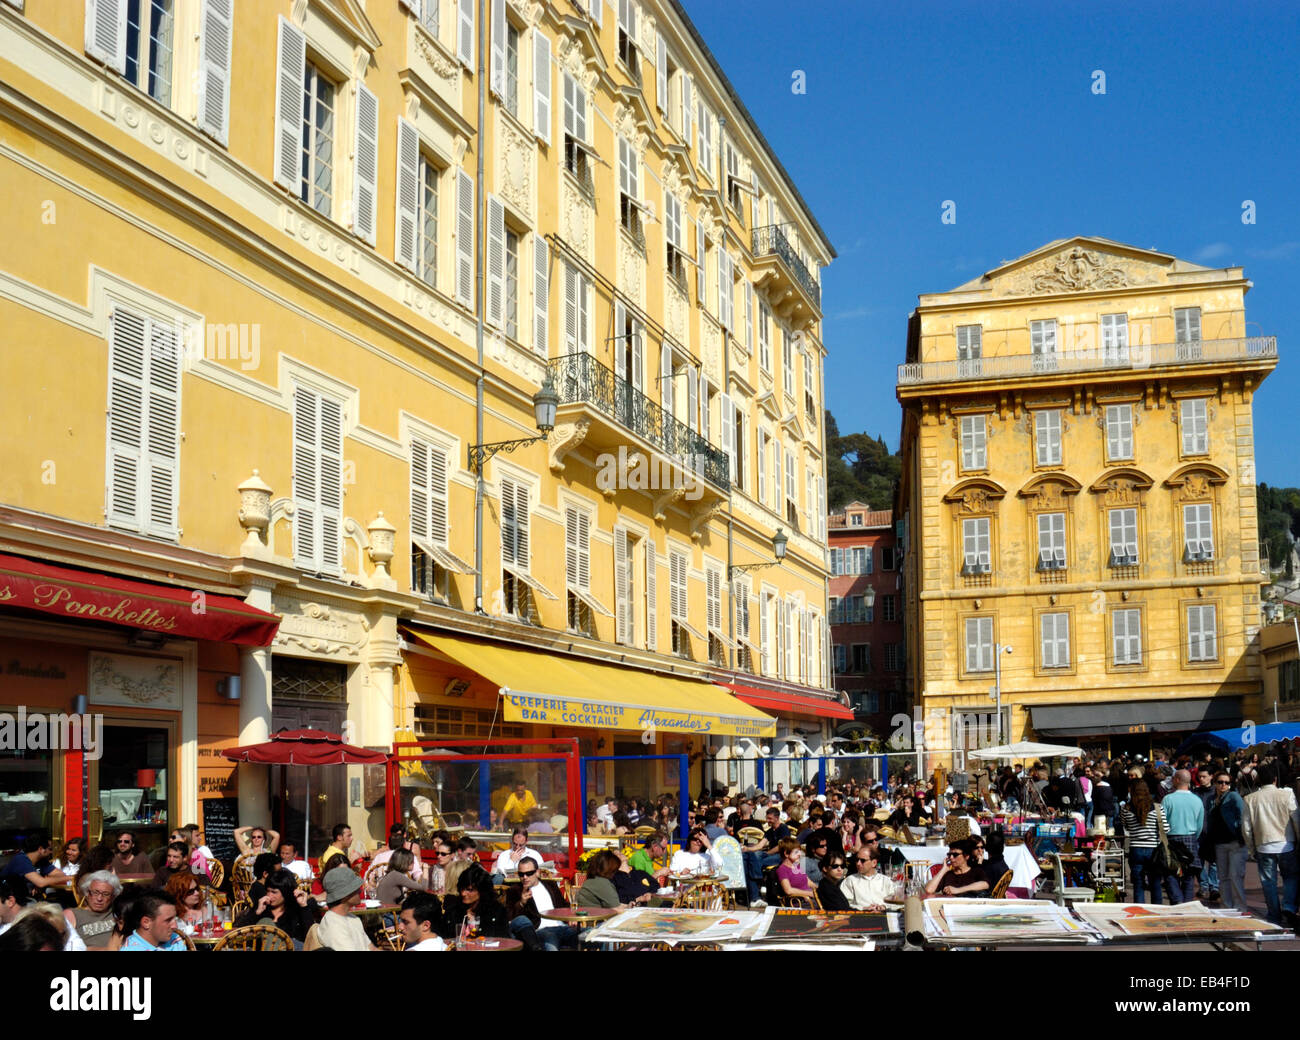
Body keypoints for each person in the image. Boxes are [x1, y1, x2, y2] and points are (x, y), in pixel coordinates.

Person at [1242, 762, 1298, 927]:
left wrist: (1251, 848)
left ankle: (1274, 915)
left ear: (1259, 780)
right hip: (1286, 843)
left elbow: (1246, 828)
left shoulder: (1250, 799)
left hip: (1263, 845)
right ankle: (1288, 906)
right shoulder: (1286, 795)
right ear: (1275, 779)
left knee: (1268, 881)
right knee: (1290, 877)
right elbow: (1296, 819)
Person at [506, 855, 576, 951]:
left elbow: (563, 905)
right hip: (541, 930)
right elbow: (511, 917)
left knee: (589, 936)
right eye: (521, 874)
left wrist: (572, 916)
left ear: (537, 872)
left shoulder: (551, 885)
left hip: (562, 927)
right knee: (551, 944)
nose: (525, 877)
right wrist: (522, 902)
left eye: (529, 873)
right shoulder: (515, 890)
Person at [235, 868, 321, 943]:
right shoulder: (263, 907)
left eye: (274, 892)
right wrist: (256, 913)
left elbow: (310, 936)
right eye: (268, 891)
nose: (269, 895)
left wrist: (304, 906)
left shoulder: (295, 910)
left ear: (285, 893)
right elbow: (237, 933)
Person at [1119, 779, 1168, 905]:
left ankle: (1140, 911)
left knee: (1138, 885)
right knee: (1155, 883)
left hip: (1135, 849)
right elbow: (1165, 829)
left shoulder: (1125, 808)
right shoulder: (1157, 808)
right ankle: (1157, 909)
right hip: (1153, 850)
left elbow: (1126, 827)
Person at [1160, 770, 1204, 904]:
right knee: (1189, 875)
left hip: (1171, 839)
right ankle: (1187, 903)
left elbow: (1162, 823)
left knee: (1170, 873)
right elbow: (1200, 824)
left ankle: (1177, 901)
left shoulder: (1168, 799)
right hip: (1190, 837)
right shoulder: (1197, 800)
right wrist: (1194, 837)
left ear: (1177, 780)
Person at [1207, 772, 1248, 912]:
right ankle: (1226, 906)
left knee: (1236, 876)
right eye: (1220, 782)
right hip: (1219, 843)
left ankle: (1240, 907)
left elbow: (1242, 815)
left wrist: (1240, 833)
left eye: (1227, 782)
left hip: (1235, 842)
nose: (1223, 785)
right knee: (1223, 877)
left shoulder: (1233, 796)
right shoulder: (1212, 800)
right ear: (1215, 783)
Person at [316, 864, 375, 950]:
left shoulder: (353, 918)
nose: (360, 890)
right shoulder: (334, 927)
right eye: (356, 888)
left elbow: (372, 948)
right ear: (345, 895)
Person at [445, 867, 509, 939]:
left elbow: (503, 940)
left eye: (469, 890)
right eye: (462, 888)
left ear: (482, 890)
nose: (463, 893)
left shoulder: (496, 912)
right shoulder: (453, 911)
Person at [67, 871, 123, 949]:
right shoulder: (72, 915)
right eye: (95, 893)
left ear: (113, 896)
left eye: (106, 894)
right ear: (87, 893)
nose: (99, 898)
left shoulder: (118, 912)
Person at [1, 833, 68, 898]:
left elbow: (60, 874)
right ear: (41, 849)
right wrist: (70, 877)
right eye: (50, 849)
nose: (51, 852)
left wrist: (41, 881)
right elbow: (41, 883)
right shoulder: (21, 859)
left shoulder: (41, 860)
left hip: (24, 897)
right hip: (7, 899)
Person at [120, 890, 187, 951]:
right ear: (146, 922)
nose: (175, 926)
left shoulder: (175, 940)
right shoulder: (130, 949)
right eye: (168, 920)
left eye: (175, 918)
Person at [923, 840, 989, 899]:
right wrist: (943, 870)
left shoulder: (976, 871)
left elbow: (985, 884)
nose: (951, 858)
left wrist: (958, 890)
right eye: (949, 855)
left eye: (955, 855)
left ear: (966, 856)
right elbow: (929, 890)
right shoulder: (947, 875)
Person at [842, 843, 894, 910]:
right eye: (857, 860)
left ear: (874, 863)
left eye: (862, 860)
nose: (858, 863)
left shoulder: (886, 881)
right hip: (860, 915)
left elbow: (898, 903)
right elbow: (844, 904)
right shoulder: (850, 881)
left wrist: (884, 907)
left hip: (883, 914)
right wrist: (863, 908)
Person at [774, 838, 815, 903]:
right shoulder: (782, 870)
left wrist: (820, 890)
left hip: (810, 899)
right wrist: (809, 893)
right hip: (799, 902)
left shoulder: (797, 866)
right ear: (786, 854)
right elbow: (788, 890)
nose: (799, 854)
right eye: (796, 852)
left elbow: (809, 882)